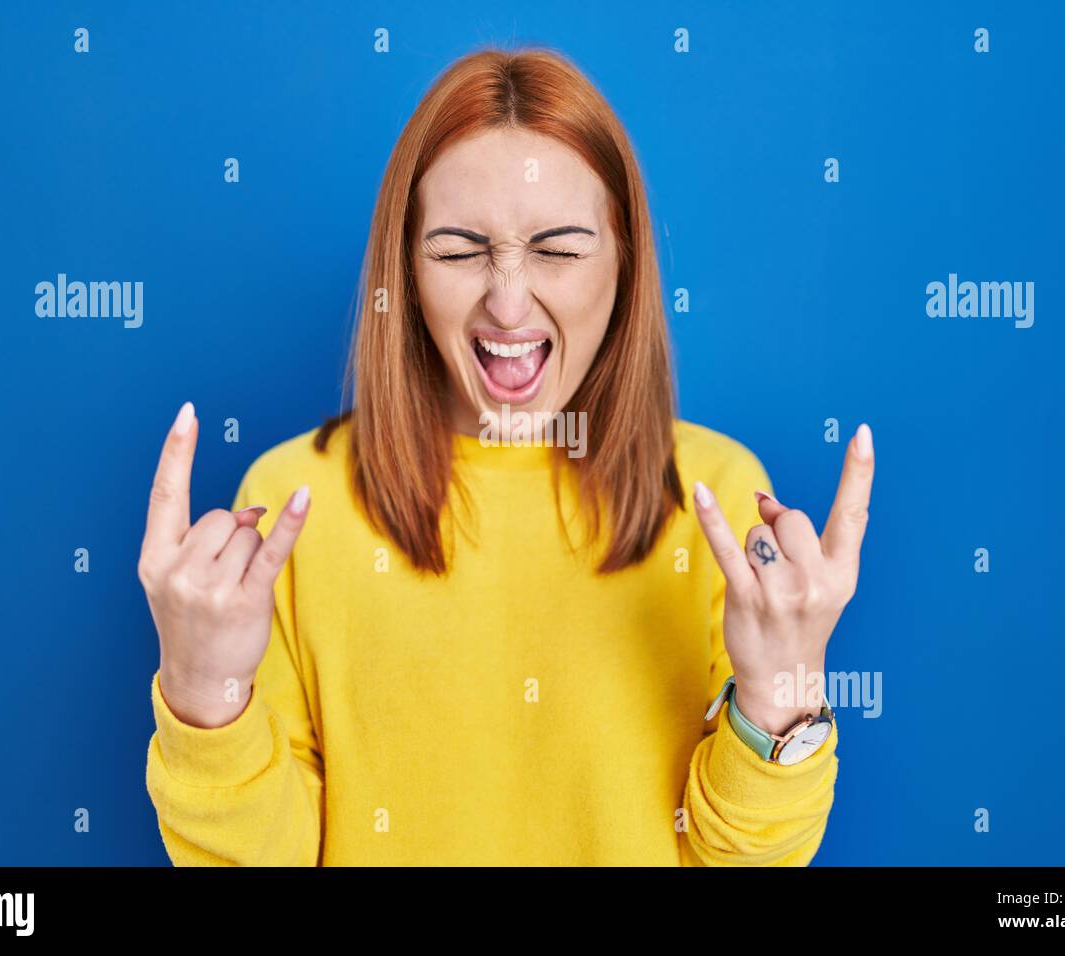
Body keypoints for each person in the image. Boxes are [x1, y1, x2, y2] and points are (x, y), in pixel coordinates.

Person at [140, 46, 874, 866]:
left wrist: (782, 693)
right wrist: (204, 691)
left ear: (626, 263)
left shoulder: (720, 497)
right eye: (458, 251)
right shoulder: (292, 500)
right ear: (405, 271)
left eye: (558, 249)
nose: (509, 300)